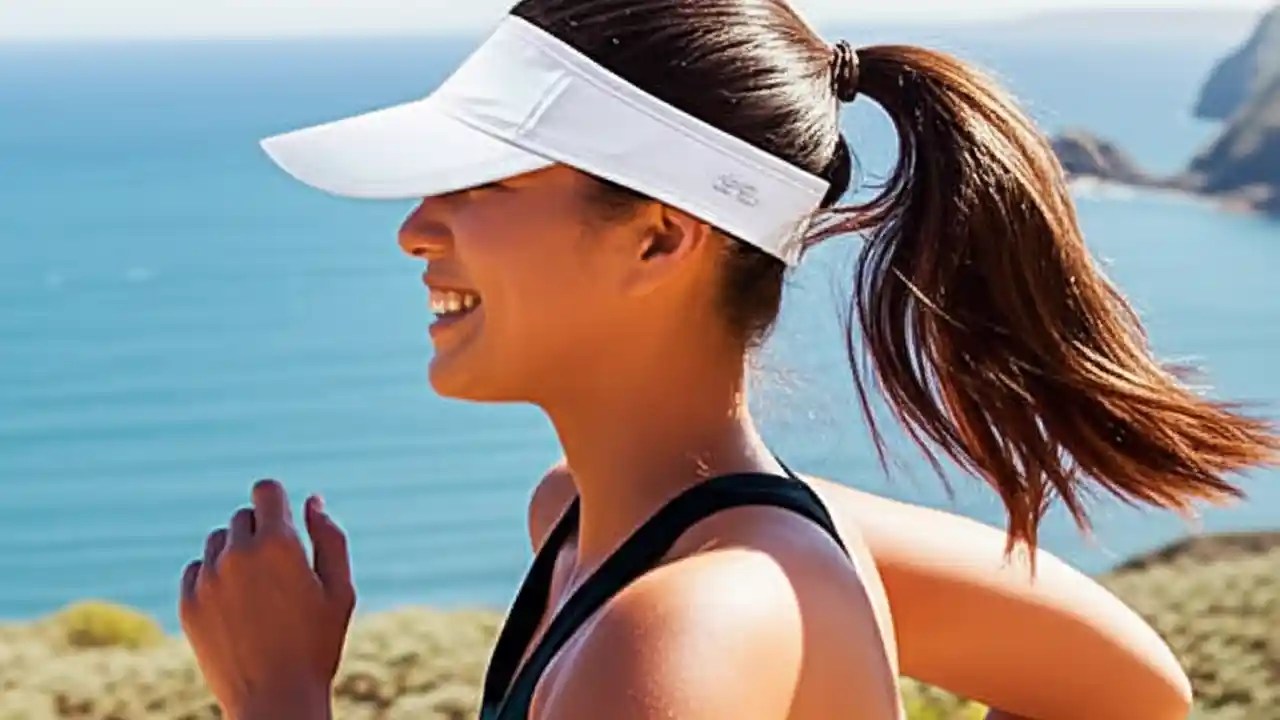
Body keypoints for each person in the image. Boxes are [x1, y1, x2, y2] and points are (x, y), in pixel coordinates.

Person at [176, 2, 1280, 719]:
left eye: (482, 183)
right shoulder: (602, 524)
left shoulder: (688, 625)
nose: (415, 228)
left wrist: (277, 697)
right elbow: (1120, 691)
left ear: (661, 234)